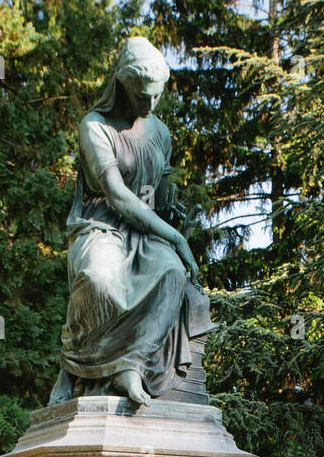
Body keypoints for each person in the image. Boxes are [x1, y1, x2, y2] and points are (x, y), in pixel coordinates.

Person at [49, 37, 211, 408]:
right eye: (142, 96)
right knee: (99, 277)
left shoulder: (160, 132)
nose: (150, 105)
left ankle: (132, 364)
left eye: (157, 96)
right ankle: (72, 366)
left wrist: (172, 215)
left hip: (146, 231)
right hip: (100, 226)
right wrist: (176, 238)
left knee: (172, 272)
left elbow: (158, 196)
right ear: (123, 87)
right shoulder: (95, 126)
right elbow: (117, 195)